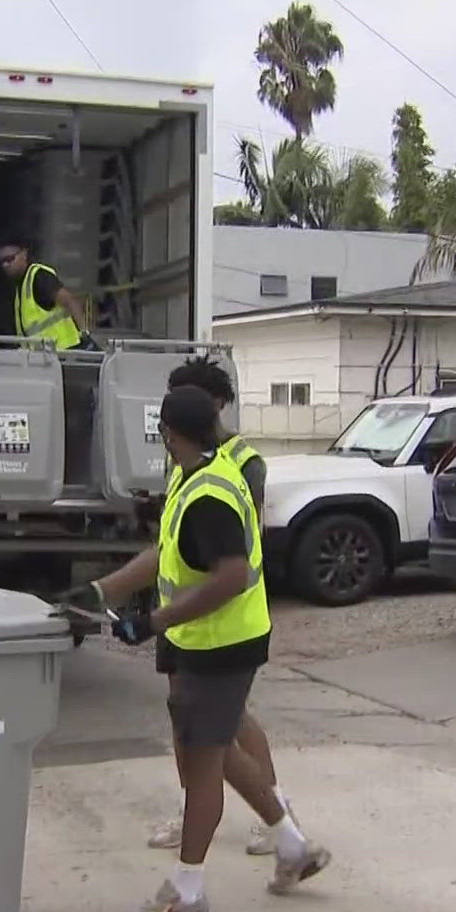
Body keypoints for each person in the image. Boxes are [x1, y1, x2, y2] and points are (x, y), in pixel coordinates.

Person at [64, 385, 330, 912]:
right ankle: (291, 844)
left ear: (167, 433)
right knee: (215, 748)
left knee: (200, 763)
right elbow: (168, 551)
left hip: (220, 644)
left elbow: (231, 576)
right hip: (200, 641)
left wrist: (152, 621)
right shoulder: (195, 475)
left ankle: (187, 890)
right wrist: (103, 592)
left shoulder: (208, 492)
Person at [144, 357, 303, 857]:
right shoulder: (182, 462)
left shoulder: (240, 462)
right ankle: (206, 805)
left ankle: (274, 814)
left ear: (214, 406)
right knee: (188, 723)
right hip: (183, 622)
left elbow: (235, 551)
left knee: (229, 723)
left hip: (221, 623)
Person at [0, 234, 95, 351]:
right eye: (2, 261)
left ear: (24, 254)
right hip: (43, 357)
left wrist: (85, 335)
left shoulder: (39, 276)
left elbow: (69, 301)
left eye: (10, 259)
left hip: (64, 351)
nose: (6, 265)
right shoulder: (20, 287)